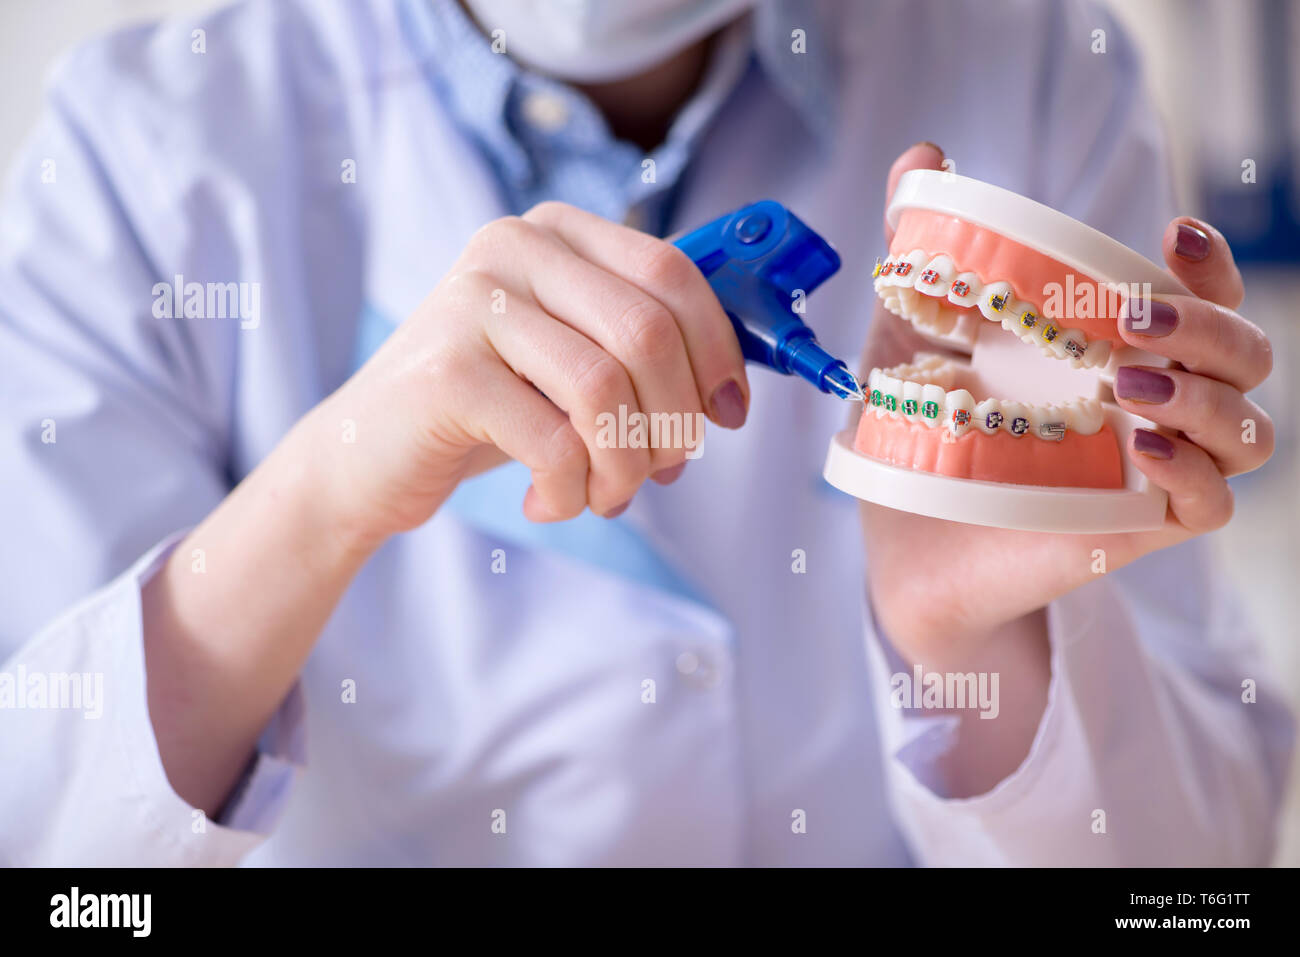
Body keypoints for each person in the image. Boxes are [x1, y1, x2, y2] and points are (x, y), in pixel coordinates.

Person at [0, 0, 1291, 866]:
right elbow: (50, 845)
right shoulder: (148, 138)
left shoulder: (1034, 59)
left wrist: (973, 647)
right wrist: (325, 494)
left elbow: (1196, 870)